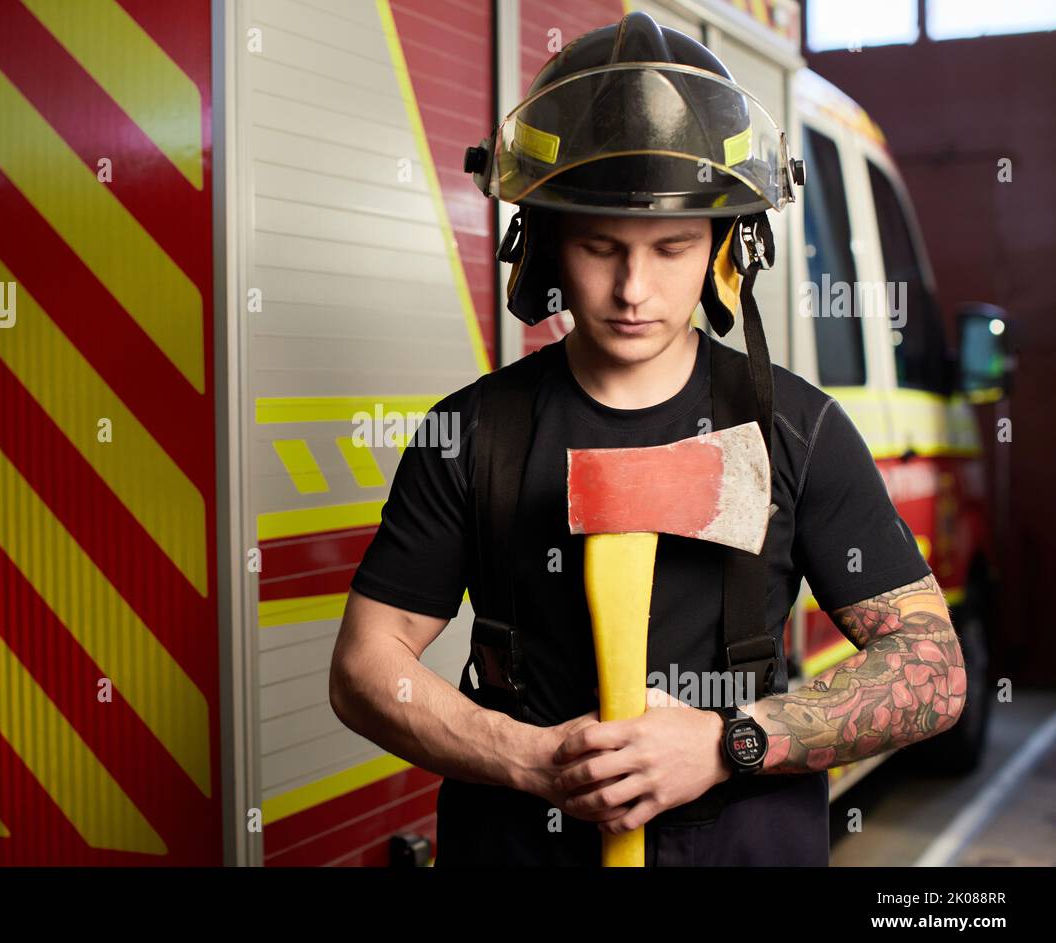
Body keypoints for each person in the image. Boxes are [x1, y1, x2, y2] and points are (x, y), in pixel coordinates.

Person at [328, 13, 965, 866]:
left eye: (672, 247)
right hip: (521, 844)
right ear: (543, 247)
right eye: (600, 246)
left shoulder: (798, 431)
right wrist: (533, 759)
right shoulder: (470, 433)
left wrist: (729, 743)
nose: (634, 288)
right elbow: (365, 667)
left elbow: (933, 666)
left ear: (727, 250)